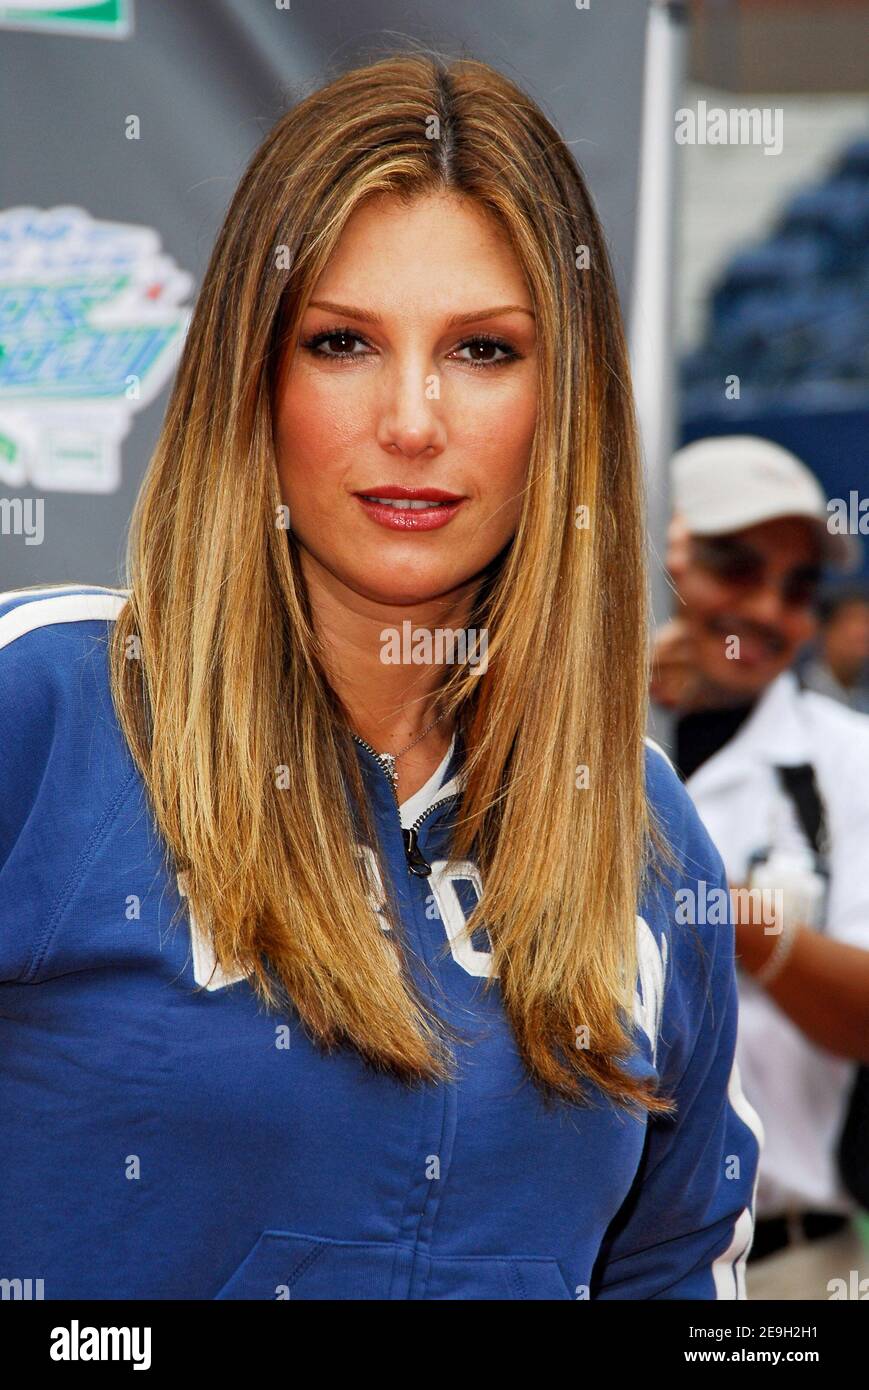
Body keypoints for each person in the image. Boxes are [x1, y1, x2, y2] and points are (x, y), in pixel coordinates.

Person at [0, 54, 761, 1301]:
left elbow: (672, 1274)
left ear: (561, 401)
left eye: (481, 350)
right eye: (343, 340)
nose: (413, 419)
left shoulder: (640, 833)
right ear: (255, 375)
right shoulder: (44, 711)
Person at [652, 434, 869, 1300]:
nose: (768, 613)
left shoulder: (848, 760)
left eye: (798, 590)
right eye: (731, 568)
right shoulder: (553, 734)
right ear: (652, 557)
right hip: (563, 1257)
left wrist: (706, 902)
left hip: (789, 1269)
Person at [801, 584, 869, 716]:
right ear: (824, 630)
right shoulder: (797, 692)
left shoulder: (862, 696)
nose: (862, 632)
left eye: (866, 622)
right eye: (851, 619)